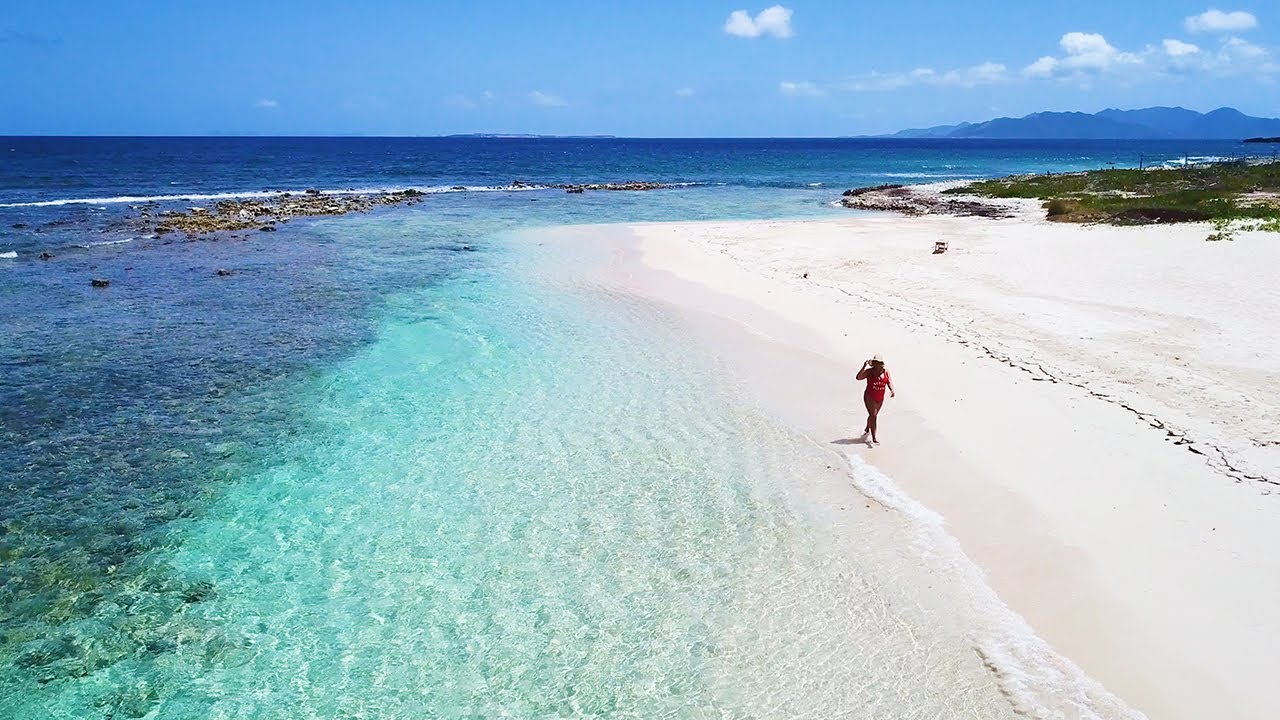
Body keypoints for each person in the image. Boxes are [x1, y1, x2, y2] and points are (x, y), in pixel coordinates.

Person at [856, 354, 894, 445]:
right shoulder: (869, 372)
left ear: (882, 364)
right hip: (869, 396)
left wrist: (892, 389)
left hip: (880, 398)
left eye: (879, 363)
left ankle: (867, 429)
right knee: (873, 415)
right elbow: (858, 377)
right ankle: (874, 438)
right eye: (875, 363)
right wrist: (864, 367)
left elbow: (889, 381)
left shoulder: (886, 372)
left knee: (873, 415)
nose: (877, 365)